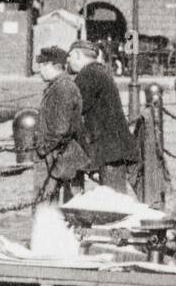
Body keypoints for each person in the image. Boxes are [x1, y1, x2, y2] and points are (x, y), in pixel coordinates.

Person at [67, 38, 139, 193]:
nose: (68, 60)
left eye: (70, 56)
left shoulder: (87, 74)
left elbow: (76, 109)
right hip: (113, 147)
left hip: (108, 149)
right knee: (114, 195)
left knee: (114, 199)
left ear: (79, 55)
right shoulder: (99, 71)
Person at [32, 46, 91, 203]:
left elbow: (60, 128)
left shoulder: (63, 88)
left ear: (52, 65)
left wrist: (43, 149)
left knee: (48, 204)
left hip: (57, 157)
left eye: (42, 65)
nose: (39, 70)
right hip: (58, 155)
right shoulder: (58, 85)